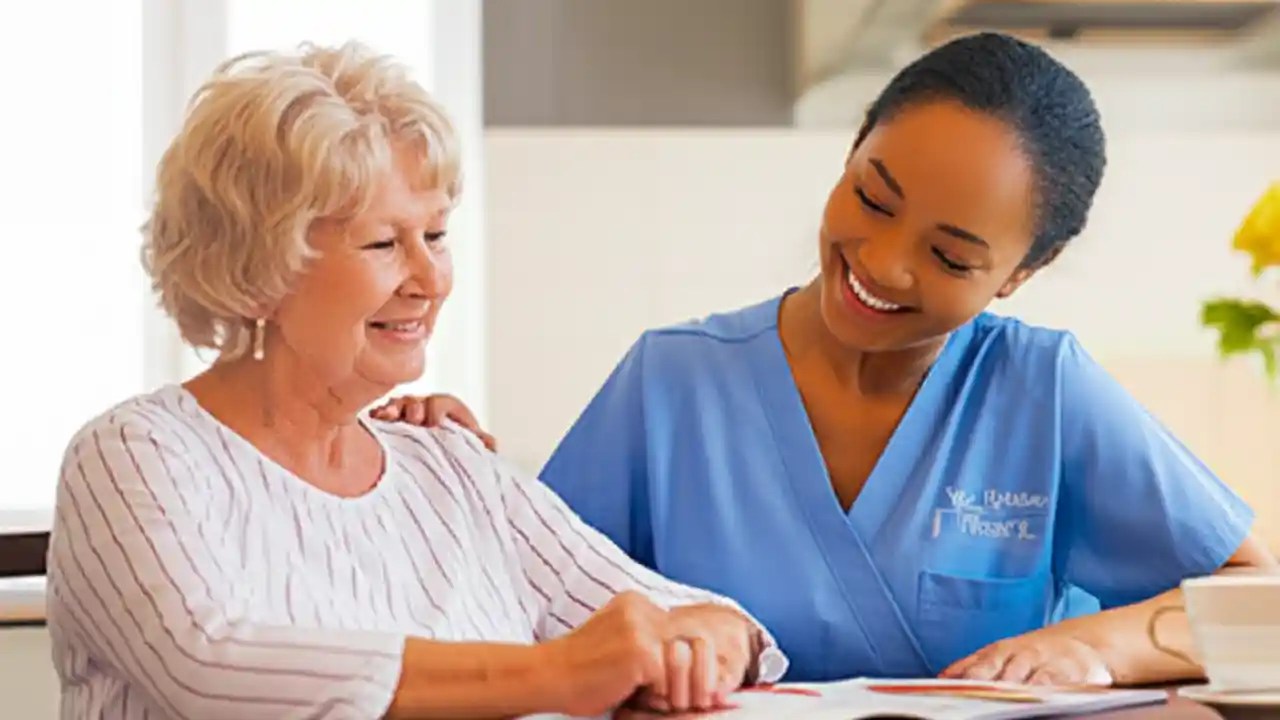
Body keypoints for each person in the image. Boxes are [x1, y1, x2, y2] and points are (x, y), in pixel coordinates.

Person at [375, 32, 1276, 687]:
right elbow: (522, 610)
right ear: (852, 151)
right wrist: (444, 472)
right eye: (873, 199)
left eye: (950, 256)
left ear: (1021, 273)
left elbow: (1256, 599)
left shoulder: (1043, 390)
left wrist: (1094, 648)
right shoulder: (671, 384)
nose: (883, 264)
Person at [44, 42, 787, 720]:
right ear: (258, 272)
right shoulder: (134, 454)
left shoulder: (448, 464)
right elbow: (215, 668)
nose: (431, 279)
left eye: (434, 235)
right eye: (382, 243)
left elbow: (700, 619)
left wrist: (710, 647)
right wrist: (557, 673)